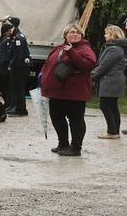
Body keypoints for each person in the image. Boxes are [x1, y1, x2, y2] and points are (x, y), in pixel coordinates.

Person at [38, 22, 97, 155]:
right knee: (57, 117)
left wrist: (71, 52)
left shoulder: (84, 49)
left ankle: (76, 148)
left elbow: (87, 65)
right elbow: (48, 63)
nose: (75, 34)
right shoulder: (59, 48)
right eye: (72, 32)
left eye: (78, 33)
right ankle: (63, 143)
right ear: (65, 35)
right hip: (56, 92)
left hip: (74, 92)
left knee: (75, 120)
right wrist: (42, 76)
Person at [91, 24, 127, 139]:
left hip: (111, 80)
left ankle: (112, 131)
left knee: (105, 105)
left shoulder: (114, 49)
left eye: (106, 33)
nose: (104, 35)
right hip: (112, 80)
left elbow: (104, 66)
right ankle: (114, 131)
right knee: (112, 106)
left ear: (112, 34)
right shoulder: (115, 48)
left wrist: (91, 76)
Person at [0, 16, 32, 116]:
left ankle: (21, 110)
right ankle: (13, 107)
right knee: (15, 88)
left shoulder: (18, 38)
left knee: (19, 89)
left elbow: (18, 55)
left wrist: (10, 65)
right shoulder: (15, 36)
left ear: (12, 27)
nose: (7, 32)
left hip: (20, 67)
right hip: (17, 66)